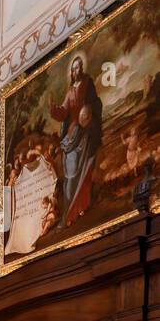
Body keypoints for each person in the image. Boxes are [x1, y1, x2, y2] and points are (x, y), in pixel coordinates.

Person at [49, 54, 102, 229]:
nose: (75, 71)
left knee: (83, 172)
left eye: (77, 67)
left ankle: (80, 207)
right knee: (70, 176)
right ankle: (68, 212)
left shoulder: (88, 84)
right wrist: (53, 109)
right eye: (73, 68)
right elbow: (63, 112)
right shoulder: (70, 91)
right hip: (71, 135)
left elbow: (95, 104)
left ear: (82, 69)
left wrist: (88, 112)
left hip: (84, 132)